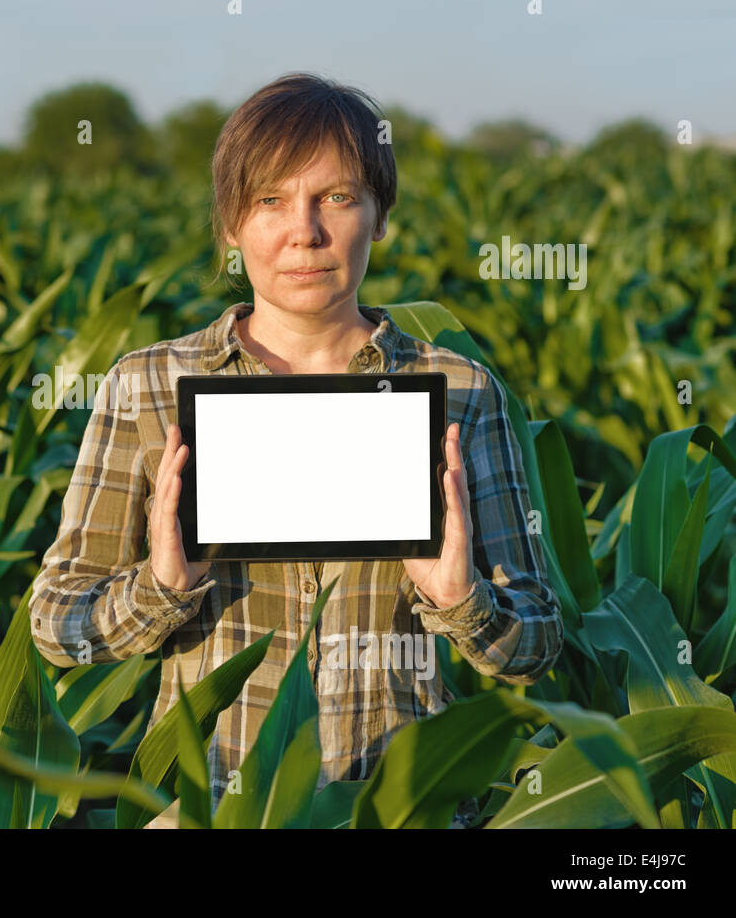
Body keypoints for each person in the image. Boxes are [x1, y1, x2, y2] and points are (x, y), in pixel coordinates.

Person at [28, 72, 563, 829]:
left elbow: (537, 639)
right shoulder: (148, 387)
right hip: (212, 811)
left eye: (337, 198)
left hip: (402, 810)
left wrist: (460, 600)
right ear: (230, 226)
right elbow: (55, 624)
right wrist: (159, 587)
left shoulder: (458, 392)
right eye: (270, 201)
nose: (303, 231)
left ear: (380, 218)